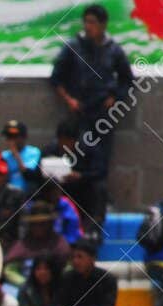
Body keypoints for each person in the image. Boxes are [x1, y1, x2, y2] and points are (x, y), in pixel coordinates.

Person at [49, 4, 133, 228]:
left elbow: (127, 79)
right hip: (79, 112)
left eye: (93, 22)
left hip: (102, 114)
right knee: (75, 156)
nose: (88, 27)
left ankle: (99, 206)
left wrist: (115, 97)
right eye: (86, 22)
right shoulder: (74, 47)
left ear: (103, 25)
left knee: (100, 161)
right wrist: (69, 99)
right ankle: (71, 203)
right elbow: (56, 77)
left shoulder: (113, 49)